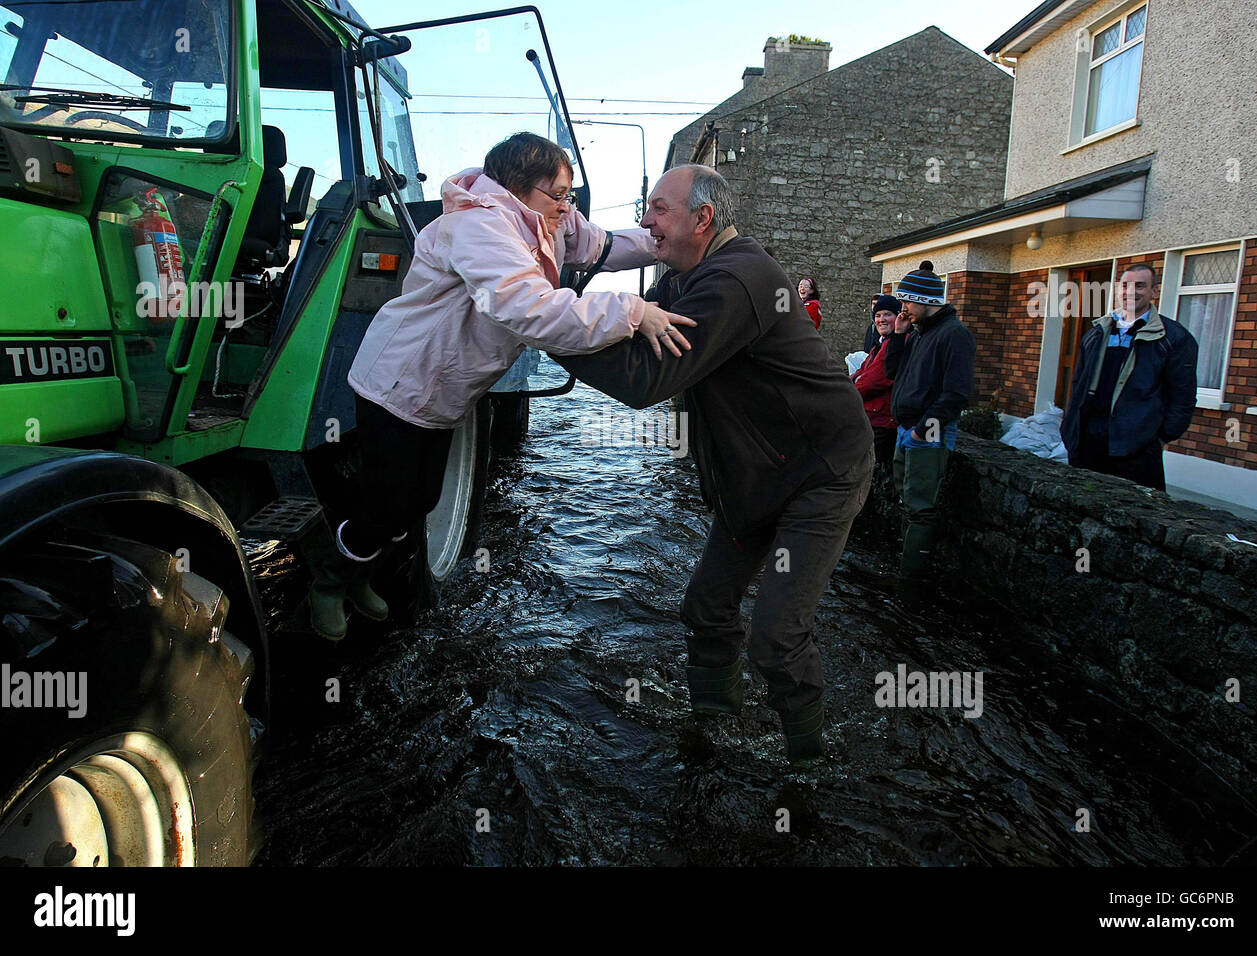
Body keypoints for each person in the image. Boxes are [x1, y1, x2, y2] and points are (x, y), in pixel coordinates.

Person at [308, 132, 694, 641]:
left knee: (419, 498)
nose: (567, 207)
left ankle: (358, 571)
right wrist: (633, 310)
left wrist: (670, 243)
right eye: (559, 194)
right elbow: (528, 310)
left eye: (568, 195)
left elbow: (603, 245)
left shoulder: (544, 220)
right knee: (391, 500)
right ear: (519, 187)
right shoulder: (481, 227)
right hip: (400, 385)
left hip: (441, 393)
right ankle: (329, 577)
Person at [550, 165, 875, 764]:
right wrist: (571, 304)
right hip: (752, 472)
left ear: (702, 219)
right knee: (706, 606)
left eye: (658, 209)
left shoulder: (737, 279)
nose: (645, 222)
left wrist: (538, 321)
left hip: (818, 474)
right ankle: (712, 724)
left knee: (777, 637)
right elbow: (625, 336)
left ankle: (807, 763)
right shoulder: (683, 281)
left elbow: (647, 377)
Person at [1060, 263, 1197, 490]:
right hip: (1087, 443)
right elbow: (1078, 385)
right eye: (1125, 286)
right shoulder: (1097, 332)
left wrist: (1159, 438)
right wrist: (1070, 427)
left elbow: (1182, 397)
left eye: (1140, 286)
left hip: (1136, 451)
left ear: (1154, 292)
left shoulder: (1174, 339)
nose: (1130, 292)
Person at [883, 261, 975, 580]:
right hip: (906, 430)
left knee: (921, 508)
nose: (903, 308)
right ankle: (904, 566)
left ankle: (910, 582)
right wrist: (898, 336)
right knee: (907, 502)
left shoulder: (954, 335)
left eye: (907, 301)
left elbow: (957, 393)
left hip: (927, 434)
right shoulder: (920, 333)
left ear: (925, 301)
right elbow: (892, 373)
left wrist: (923, 432)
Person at [852, 294, 902, 467]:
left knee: (873, 469)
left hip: (882, 420)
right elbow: (861, 372)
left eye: (887, 314)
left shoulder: (894, 345)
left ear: (898, 316)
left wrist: (847, 392)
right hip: (873, 416)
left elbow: (871, 381)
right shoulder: (880, 344)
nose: (881, 320)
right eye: (878, 315)